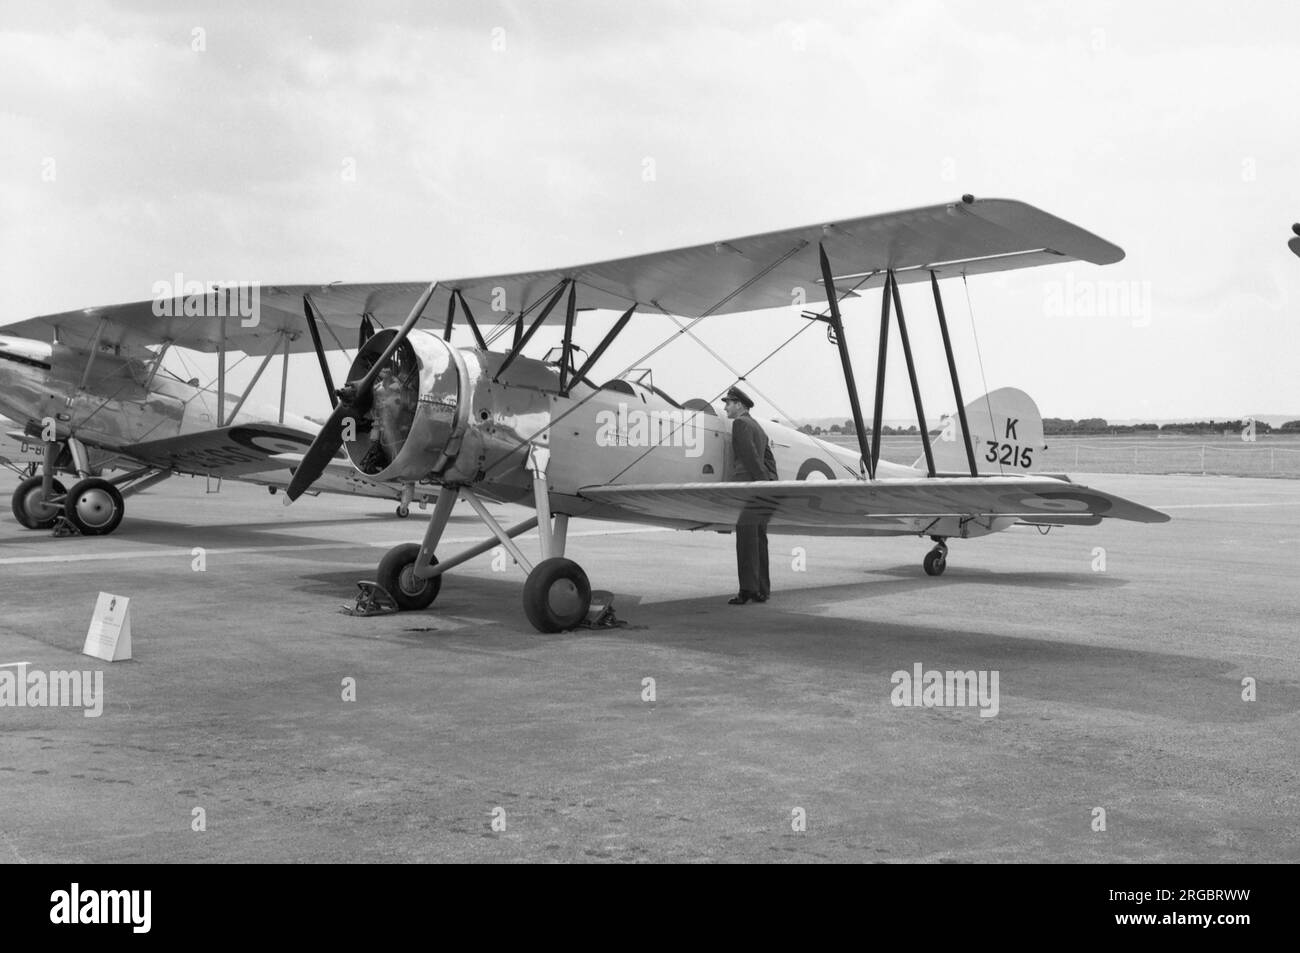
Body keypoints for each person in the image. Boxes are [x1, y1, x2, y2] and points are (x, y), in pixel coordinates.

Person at [722, 385, 777, 605]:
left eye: (728, 403)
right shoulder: (758, 427)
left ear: (739, 405)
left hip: (750, 488)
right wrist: (771, 484)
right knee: (759, 540)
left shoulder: (740, 424)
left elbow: (750, 457)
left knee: (746, 540)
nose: (725, 408)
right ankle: (762, 590)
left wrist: (760, 484)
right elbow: (768, 458)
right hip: (763, 487)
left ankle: (747, 591)